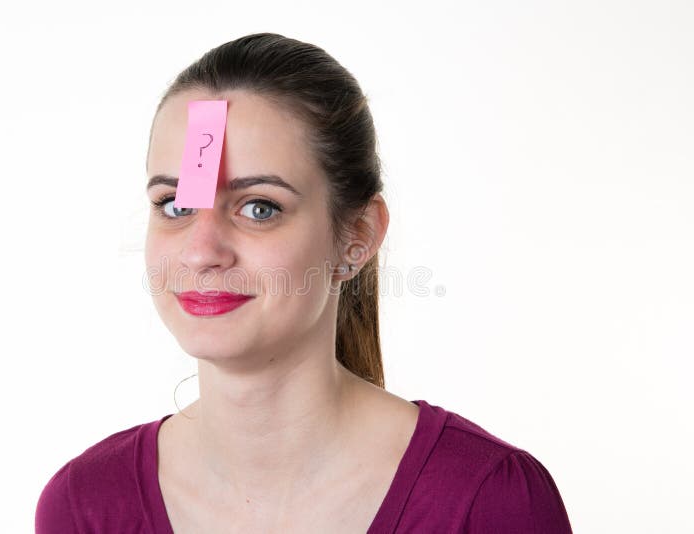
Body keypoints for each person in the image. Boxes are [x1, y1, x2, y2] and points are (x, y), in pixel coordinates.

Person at [35, 32, 573, 533]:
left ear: (357, 236)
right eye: (175, 204)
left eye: (260, 207)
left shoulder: (489, 501)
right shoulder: (85, 507)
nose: (200, 251)